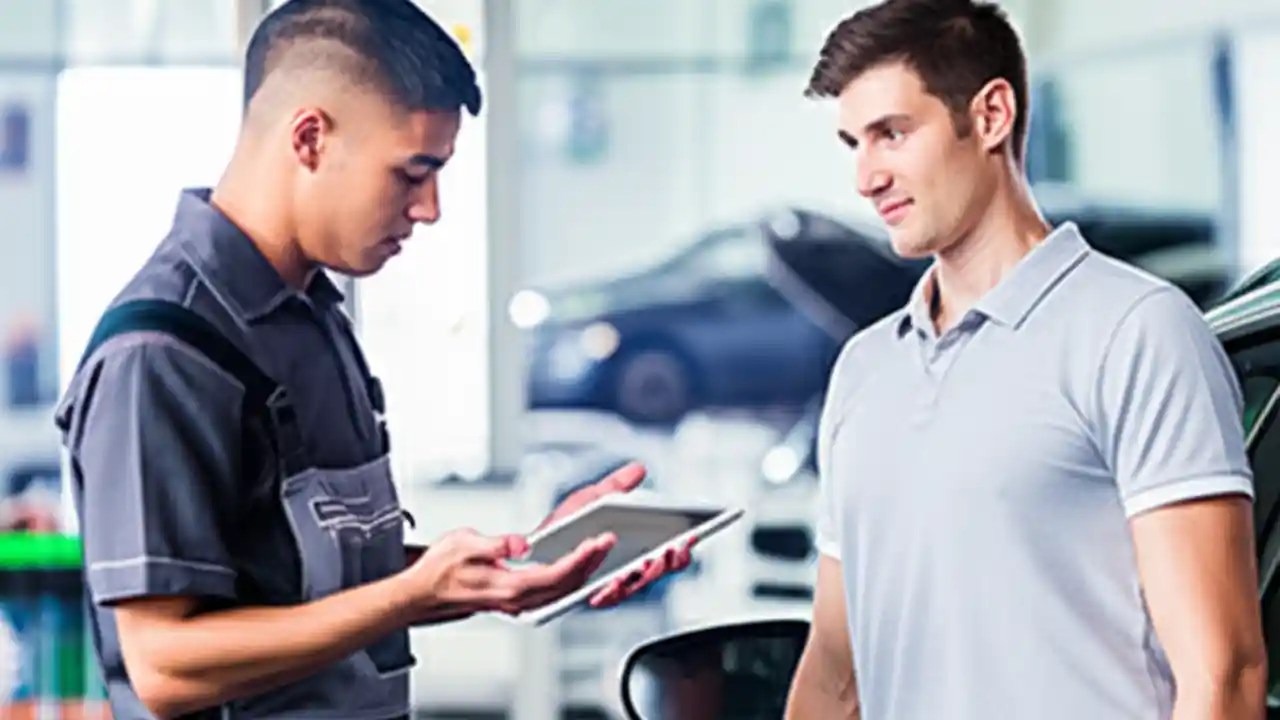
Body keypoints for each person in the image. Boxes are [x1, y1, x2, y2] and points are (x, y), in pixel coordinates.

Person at [52, 1, 693, 718]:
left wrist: (515, 565)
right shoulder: (163, 352)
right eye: (412, 172)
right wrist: (409, 595)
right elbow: (164, 667)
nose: (430, 209)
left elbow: (323, 589)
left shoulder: (314, 317)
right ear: (309, 138)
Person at [784, 1, 1267, 718]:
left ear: (991, 115)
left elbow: (1222, 676)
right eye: (853, 143)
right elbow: (834, 678)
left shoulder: (1137, 332)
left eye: (892, 134)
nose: (866, 177)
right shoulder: (864, 370)